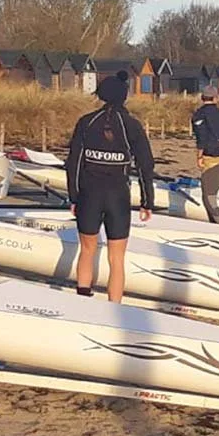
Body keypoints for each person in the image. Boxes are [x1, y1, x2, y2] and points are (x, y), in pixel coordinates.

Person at [65, 70, 155, 303]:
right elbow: (145, 166)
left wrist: (73, 197)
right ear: (124, 97)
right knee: (117, 258)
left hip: (90, 195)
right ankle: (115, 309)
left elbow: (73, 163)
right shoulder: (132, 126)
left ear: (101, 96)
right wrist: (147, 202)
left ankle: (83, 300)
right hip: (118, 197)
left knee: (87, 250)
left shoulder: (86, 122)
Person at [191, 85, 219, 223]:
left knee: (209, 199)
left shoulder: (199, 115)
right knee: (210, 198)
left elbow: (201, 138)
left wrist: (199, 156)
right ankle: (214, 226)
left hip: (212, 161)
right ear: (216, 98)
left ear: (202, 98)